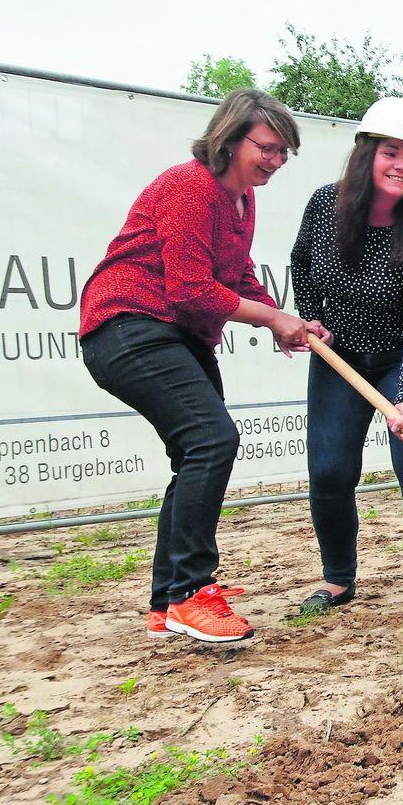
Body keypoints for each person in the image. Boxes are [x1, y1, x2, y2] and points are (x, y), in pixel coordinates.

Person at [80, 89, 323, 644]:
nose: (276, 161)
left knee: (195, 452)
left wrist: (286, 319)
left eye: (285, 152)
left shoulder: (242, 201)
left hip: (177, 335)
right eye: (267, 148)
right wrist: (269, 318)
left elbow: (232, 278)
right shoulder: (191, 187)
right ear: (230, 138)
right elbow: (190, 289)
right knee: (212, 440)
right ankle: (192, 593)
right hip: (129, 325)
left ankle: (167, 603)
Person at [290, 98, 403, 629]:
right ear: (365, 154)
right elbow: (301, 261)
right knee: (329, 467)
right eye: (392, 152)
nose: (402, 166)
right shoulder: (325, 206)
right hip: (341, 354)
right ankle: (338, 577)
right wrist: (312, 319)